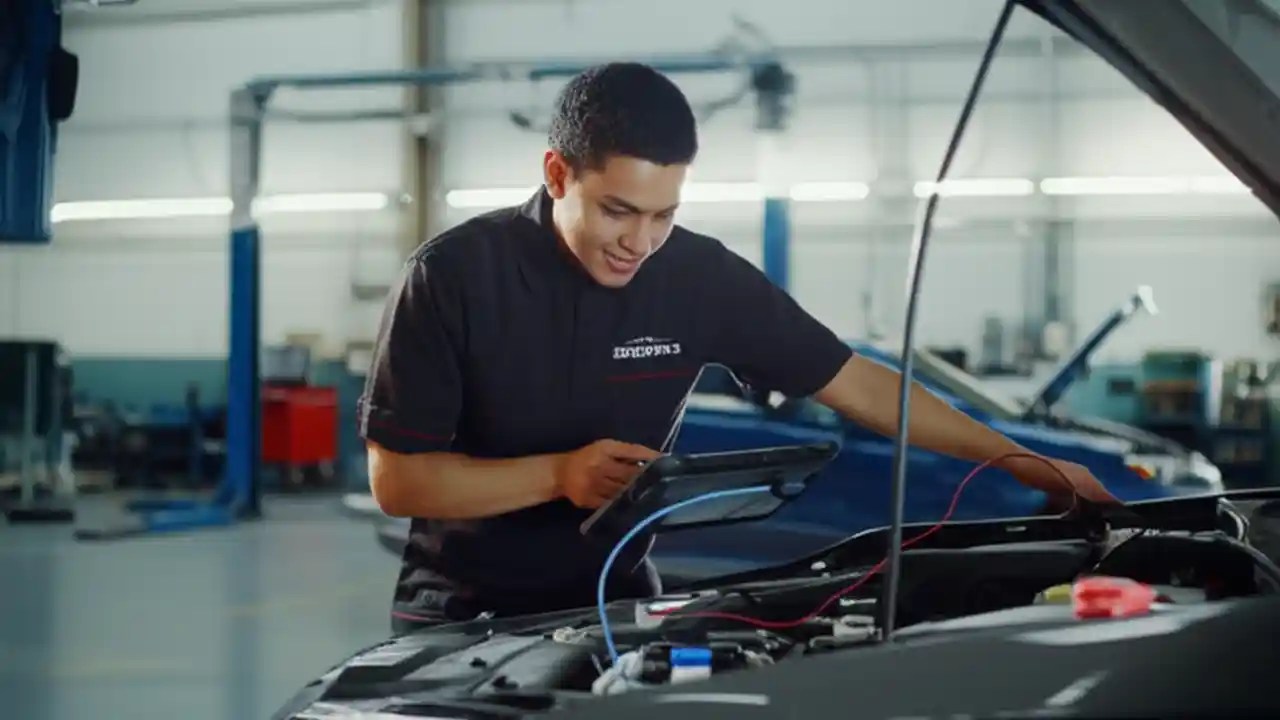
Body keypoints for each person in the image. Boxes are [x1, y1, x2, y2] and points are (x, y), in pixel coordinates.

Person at [358, 62, 1119, 634]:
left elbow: (857, 384)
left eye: (664, 214)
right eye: (619, 211)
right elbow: (400, 482)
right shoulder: (453, 278)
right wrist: (560, 474)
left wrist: (1025, 461)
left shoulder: (697, 276)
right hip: (462, 623)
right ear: (557, 173)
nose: (641, 242)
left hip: (622, 609)